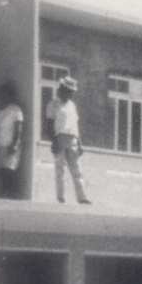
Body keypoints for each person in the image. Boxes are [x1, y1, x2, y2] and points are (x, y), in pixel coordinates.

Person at [47, 77, 91, 205]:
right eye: (68, 90)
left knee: (77, 169)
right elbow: (49, 124)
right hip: (59, 137)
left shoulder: (72, 105)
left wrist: (79, 143)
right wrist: (53, 140)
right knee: (60, 169)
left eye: (72, 92)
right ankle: (61, 197)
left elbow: (75, 124)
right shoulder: (53, 104)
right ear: (62, 89)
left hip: (72, 138)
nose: (70, 94)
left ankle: (82, 197)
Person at [0, 81, 24, 199]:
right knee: (2, 170)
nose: (2, 96)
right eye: (1, 93)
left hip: (11, 144)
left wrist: (15, 144)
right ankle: (4, 194)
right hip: (1, 144)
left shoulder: (16, 110)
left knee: (9, 170)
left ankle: (11, 195)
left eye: (5, 93)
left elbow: (19, 128)